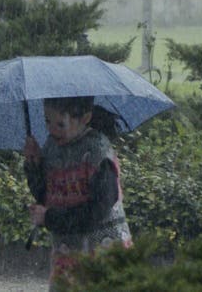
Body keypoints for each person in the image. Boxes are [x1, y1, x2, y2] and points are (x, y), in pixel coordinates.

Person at [23, 96, 132, 290]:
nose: (52, 130)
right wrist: (34, 165)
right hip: (67, 253)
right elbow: (46, 195)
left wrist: (49, 218)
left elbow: (99, 209)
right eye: (47, 121)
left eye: (60, 124)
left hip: (102, 251)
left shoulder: (98, 151)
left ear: (85, 118)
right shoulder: (51, 147)